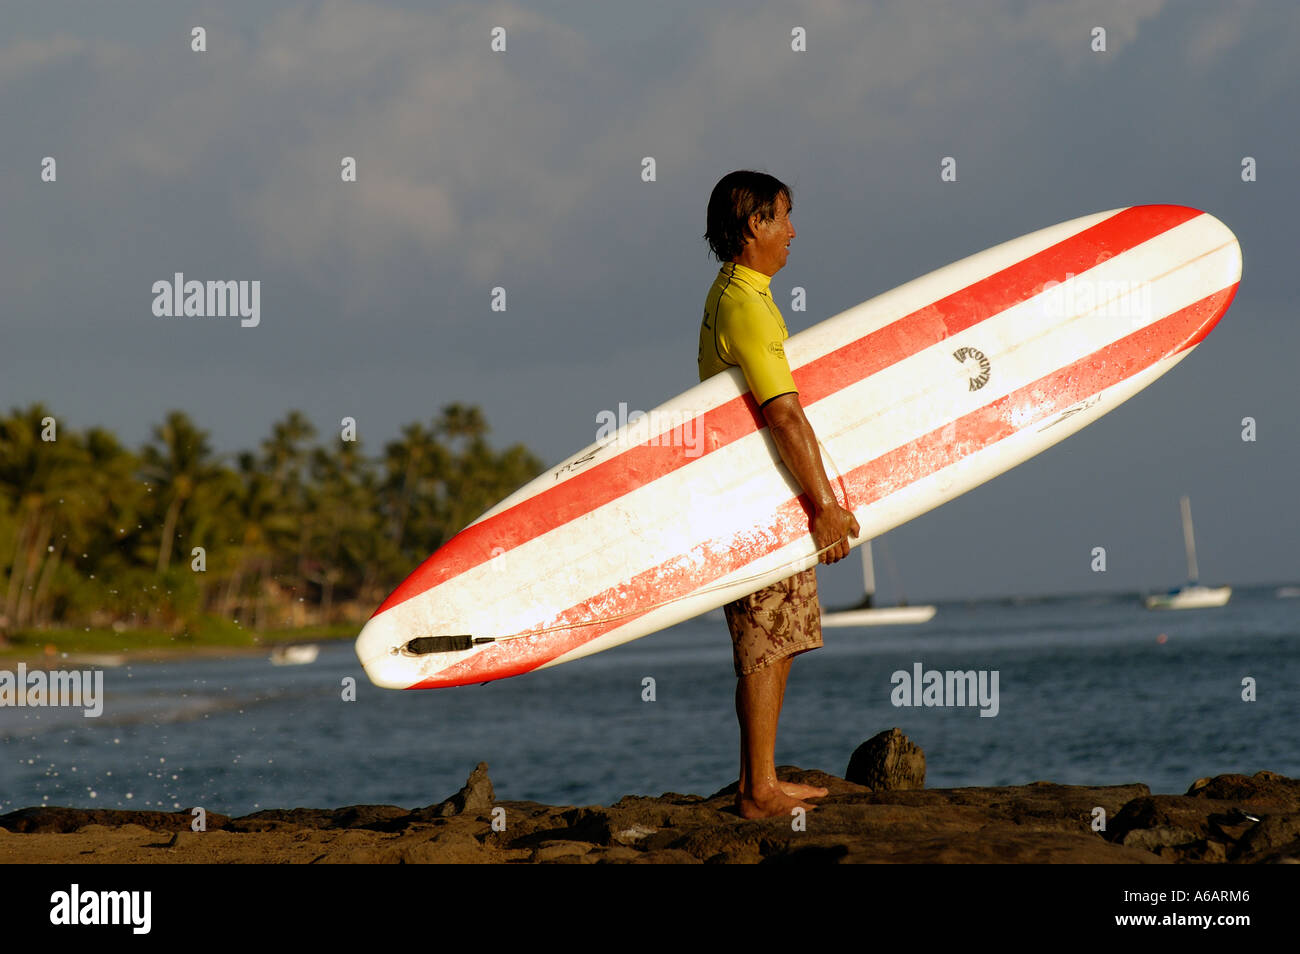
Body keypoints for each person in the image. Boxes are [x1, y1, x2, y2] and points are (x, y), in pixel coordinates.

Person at [698, 170, 860, 819]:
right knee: (765, 637)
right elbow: (784, 413)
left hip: (759, 491)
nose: (793, 232)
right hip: (756, 497)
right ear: (752, 227)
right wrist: (825, 506)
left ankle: (757, 780)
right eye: (783, 217)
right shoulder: (746, 304)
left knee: (781, 633)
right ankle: (758, 791)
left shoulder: (737, 293)